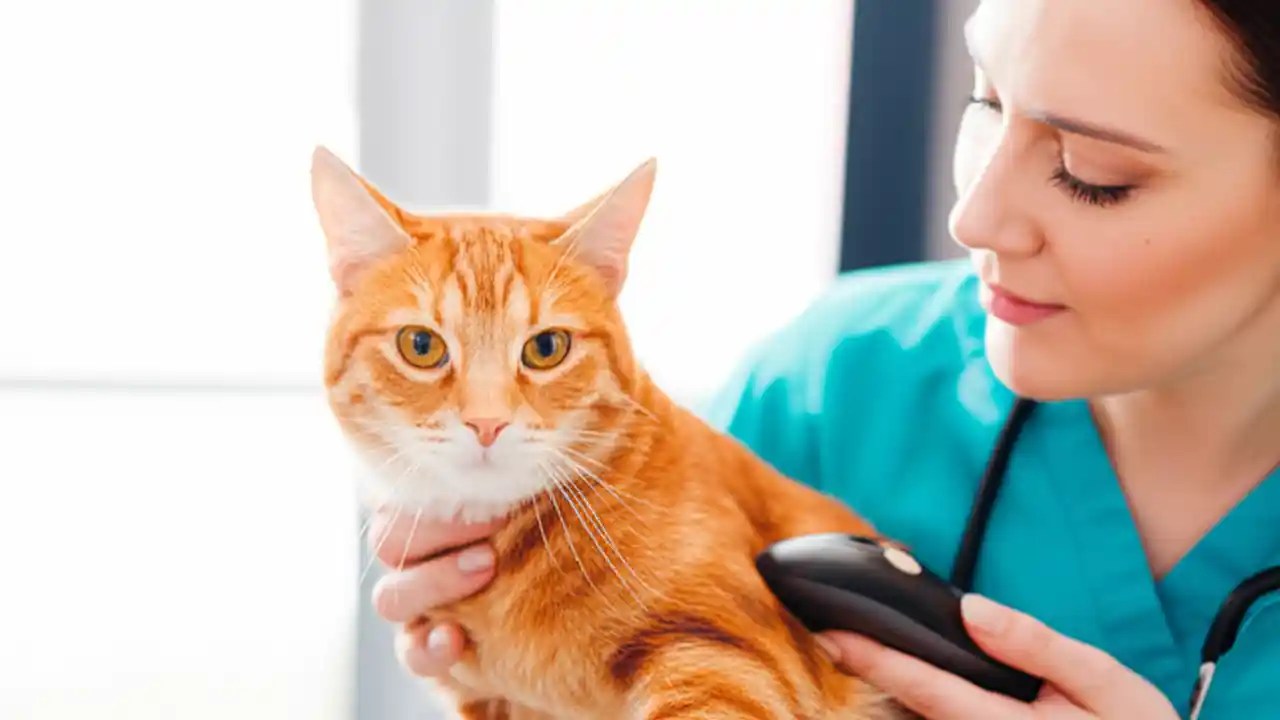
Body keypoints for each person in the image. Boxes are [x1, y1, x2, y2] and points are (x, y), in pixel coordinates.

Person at [363, 0, 1280, 716]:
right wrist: (532, 663)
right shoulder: (834, 384)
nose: (974, 219)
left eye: (1092, 172)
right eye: (984, 98)